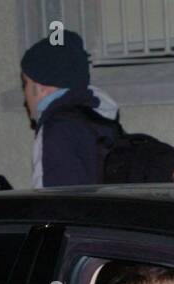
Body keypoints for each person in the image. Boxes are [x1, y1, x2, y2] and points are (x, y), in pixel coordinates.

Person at [19, 29, 120, 188]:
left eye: (25, 83)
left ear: (40, 87)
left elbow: (55, 203)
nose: (24, 94)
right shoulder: (99, 118)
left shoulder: (57, 129)